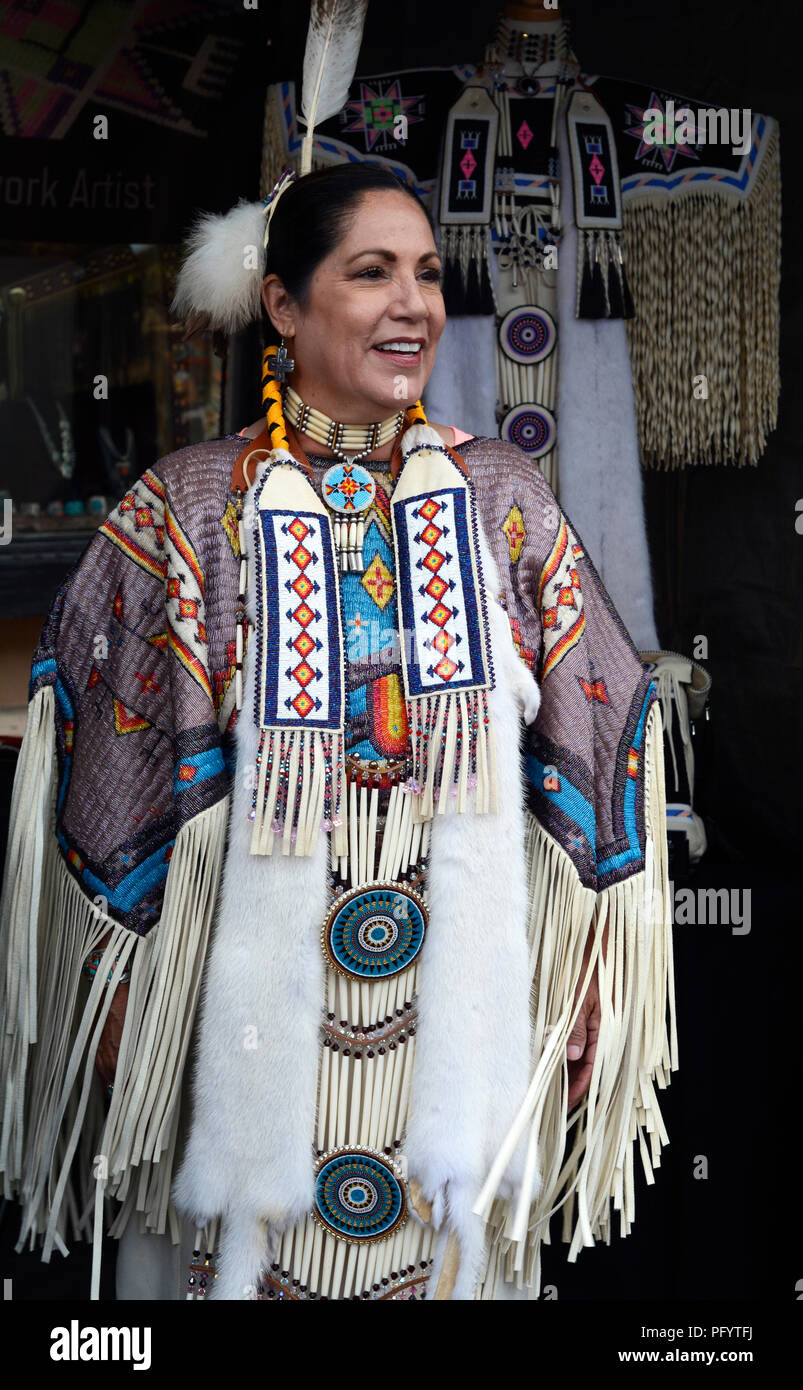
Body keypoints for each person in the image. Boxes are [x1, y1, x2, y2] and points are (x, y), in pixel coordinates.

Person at [0, 163, 675, 1302]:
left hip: (452, 1027)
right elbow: (107, 773)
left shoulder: (502, 497)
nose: (413, 304)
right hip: (237, 1028)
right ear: (282, 305)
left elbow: (594, 740)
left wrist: (589, 971)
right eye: (369, 273)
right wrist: (116, 1000)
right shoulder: (190, 510)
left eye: (424, 274)